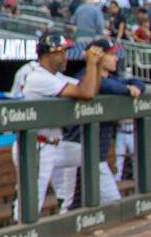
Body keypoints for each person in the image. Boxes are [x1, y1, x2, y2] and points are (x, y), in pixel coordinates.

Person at [16, 32, 104, 220]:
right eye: (60, 52)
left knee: (89, 155)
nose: (65, 57)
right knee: (31, 200)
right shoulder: (39, 78)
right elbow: (86, 92)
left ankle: (71, 208)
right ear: (47, 54)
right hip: (35, 148)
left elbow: (91, 89)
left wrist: (96, 65)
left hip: (54, 145)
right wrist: (90, 63)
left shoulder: (55, 77)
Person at [71, 38, 143, 205]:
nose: (116, 58)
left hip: (92, 154)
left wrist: (133, 87)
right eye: (111, 55)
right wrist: (126, 89)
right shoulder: (85, 78)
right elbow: (107, 87)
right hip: (77, 150)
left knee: (76, 202)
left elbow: (137, 83)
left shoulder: (112, 78)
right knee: (109, 202)